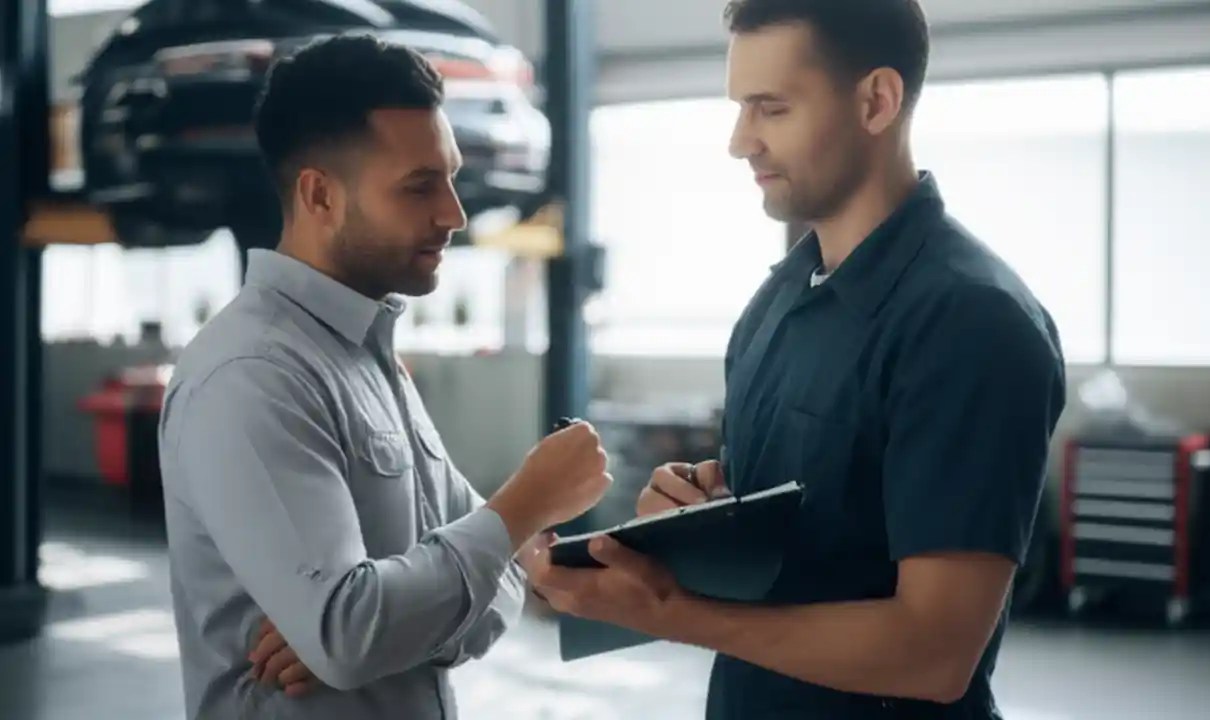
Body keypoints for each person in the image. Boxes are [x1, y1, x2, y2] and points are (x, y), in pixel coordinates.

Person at [527, 1, 1067, 717]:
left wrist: (673, 611)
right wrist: (700, 528)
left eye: (771, 108)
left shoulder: (971, 322)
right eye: (740, 108)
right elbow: (807, 541)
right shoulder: (778, 301)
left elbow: (935, 654)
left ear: (876, 101)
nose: (740, 142)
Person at [157, 35, 611, 720]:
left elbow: (501, 589)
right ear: (320, 195)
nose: (454, 213)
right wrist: (522, 508)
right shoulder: (252, 375)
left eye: (451, 178)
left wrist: (381, 629)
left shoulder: (368, 357)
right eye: (420, 186)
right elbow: (354, 631)